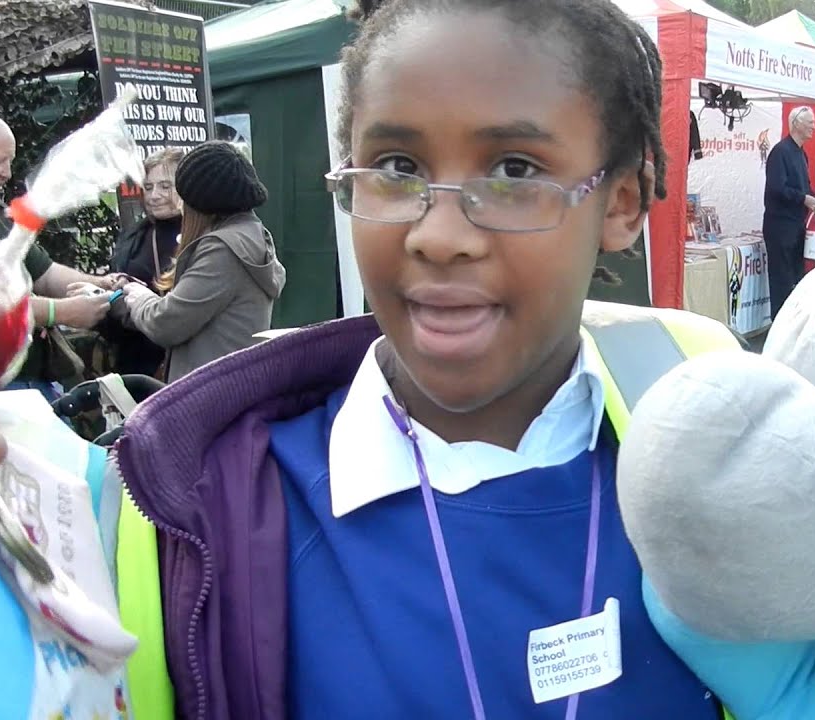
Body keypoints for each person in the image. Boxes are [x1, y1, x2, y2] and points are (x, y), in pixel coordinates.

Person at [110, 0, 739, 717]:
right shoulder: (202, 513)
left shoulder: (723, 466)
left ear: (623, 202)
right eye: (397, 167)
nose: (438, 236)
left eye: (513, 168)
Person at [119, 141, 286, 381]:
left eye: (169, 188)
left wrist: (137, 297)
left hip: (212, 397)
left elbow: (166, 323)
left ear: (197, 200)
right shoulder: (250, 234)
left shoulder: (224, 249)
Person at [0, 115, 119, 401]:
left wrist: (103, 282)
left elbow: (45, 273)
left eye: (9, 161)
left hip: (33, 381)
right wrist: (61, 312)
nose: (7, 173)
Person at [101, 148, 186, 377]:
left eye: (165, 186)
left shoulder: (202, 236)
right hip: (133, 358)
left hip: (180, 362)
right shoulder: (134, 236)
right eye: (148, 187)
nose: (154, 195)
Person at [764, 105, 815, 317]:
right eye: (810, 123)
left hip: (797, 225)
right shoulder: (781, 152)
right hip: (780, 225)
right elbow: (777, 188)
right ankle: (778, 323)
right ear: (796, 123)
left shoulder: (801, 154)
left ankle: (790, 321)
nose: (814, 127)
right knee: (781, 278)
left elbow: (803, 186)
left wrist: (814, 197)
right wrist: (803, 198)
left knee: (796, 276)